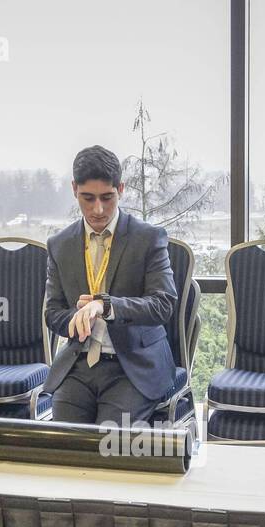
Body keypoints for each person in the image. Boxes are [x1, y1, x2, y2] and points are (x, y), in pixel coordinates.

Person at [42, 145, 177, 425]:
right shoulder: (61, 245)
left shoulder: (148, 239)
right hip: (79, 365)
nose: (98, 209)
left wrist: (105, 306)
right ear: (74, 190)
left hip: (133, 366)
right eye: (87, 198)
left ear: (121, 189)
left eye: (107, 197)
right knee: (63, 442)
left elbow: (163, 305)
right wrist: (76, 317)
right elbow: (52, 313)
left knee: (110, 442)